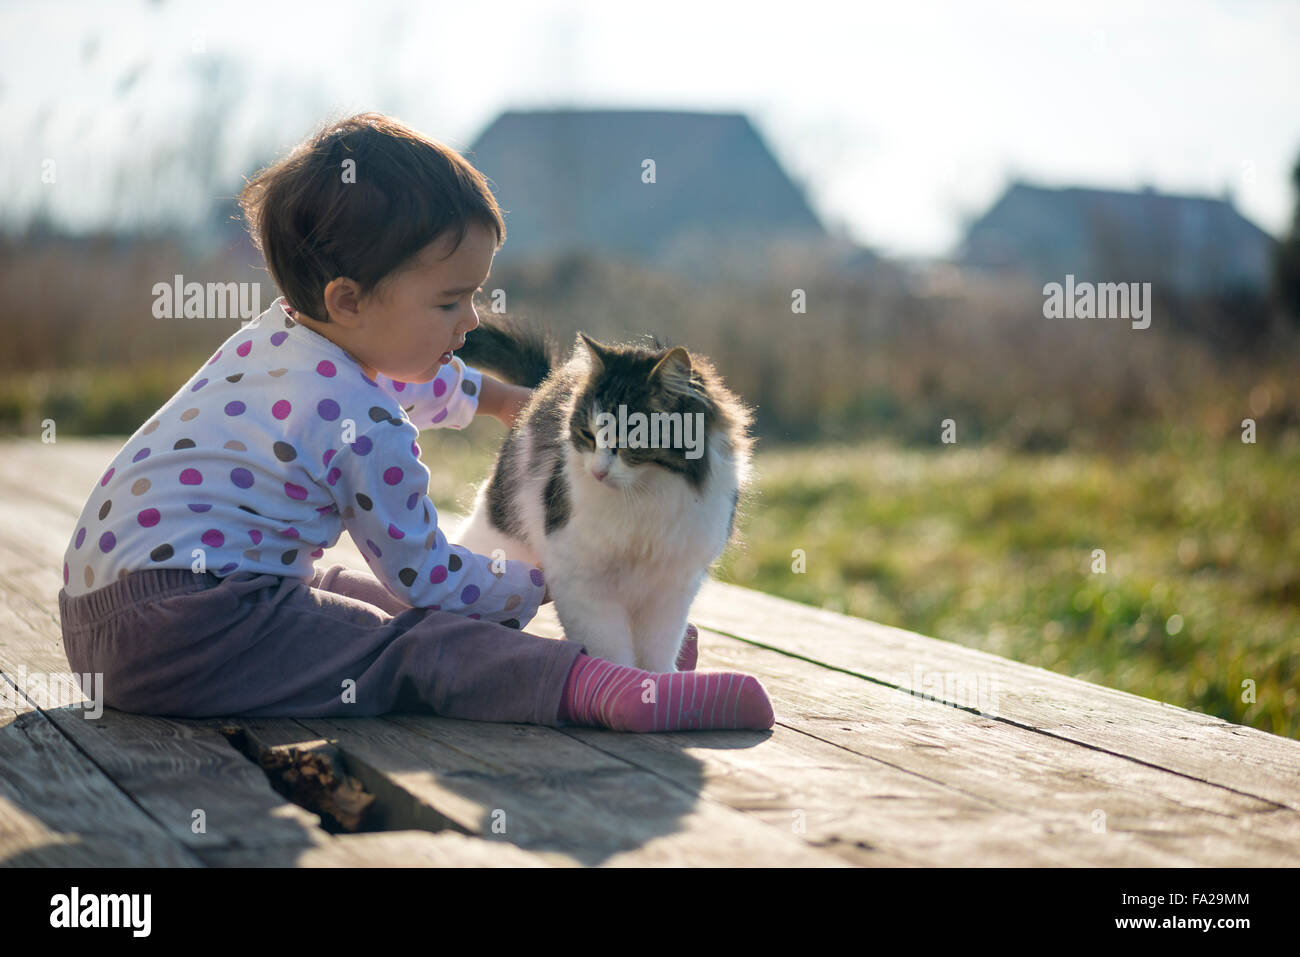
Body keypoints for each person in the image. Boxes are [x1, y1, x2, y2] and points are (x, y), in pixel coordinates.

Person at [56, 112, 774, 733]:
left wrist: (491, 398)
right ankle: (604, 688)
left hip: (94, 623)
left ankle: (618, 661)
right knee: (415, 642)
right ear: (347, 299)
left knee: (342, 592)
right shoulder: (365, 424)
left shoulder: (273, 341)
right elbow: (428, 576)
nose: (471, 320)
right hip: (194, 632)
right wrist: (541, 582)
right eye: (449, 303)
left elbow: (394, 373)